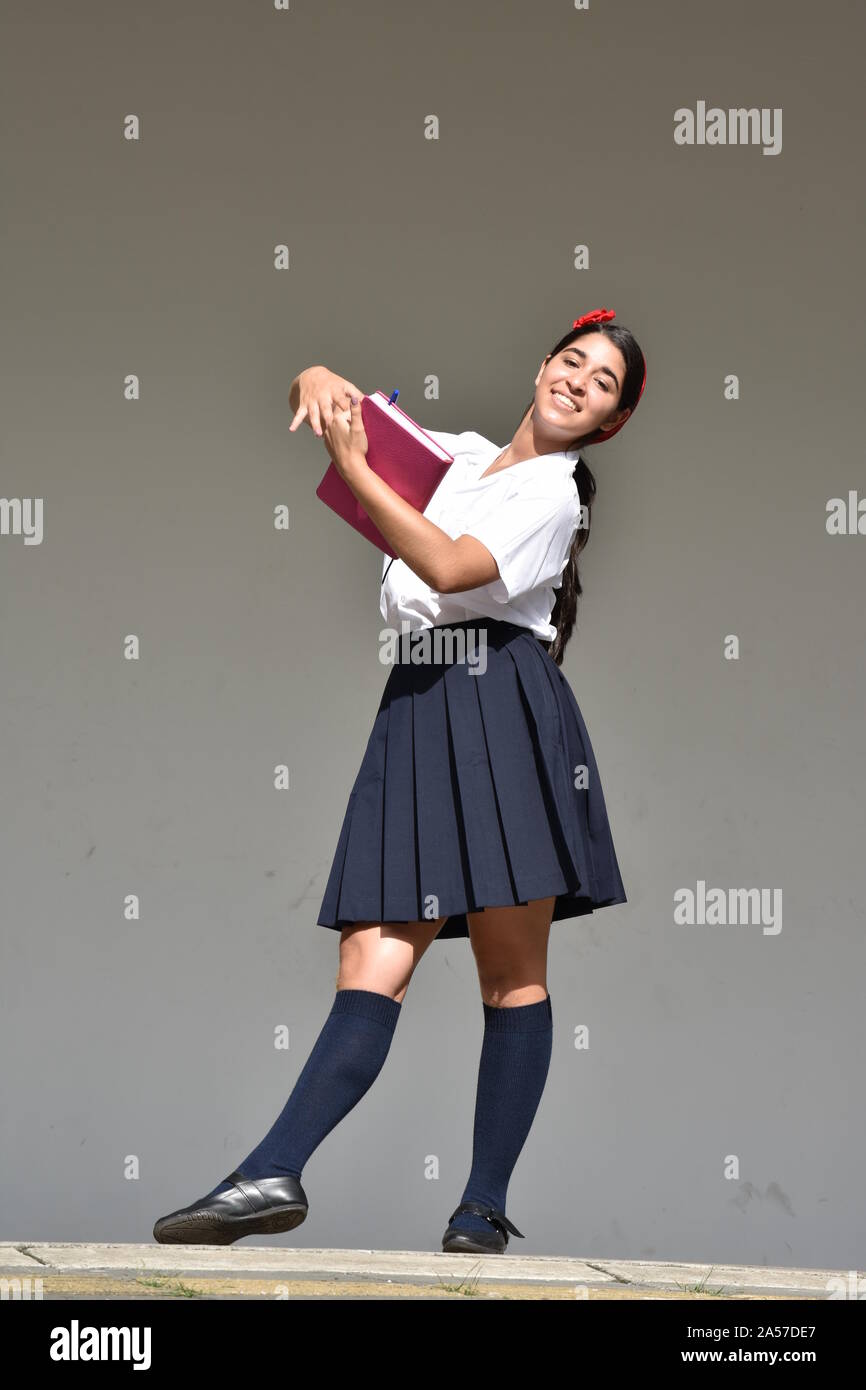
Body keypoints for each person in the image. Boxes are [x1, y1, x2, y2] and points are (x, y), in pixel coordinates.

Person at [153, 307, 647, 1255]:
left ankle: (480, 1206)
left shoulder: (556, 495)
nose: (580, 381)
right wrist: (312, 373)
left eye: (604, 385)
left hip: (502, 699)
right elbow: (342, 395)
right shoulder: (459, 456)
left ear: (609, 422)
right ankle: (272, 1171)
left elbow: (448, 563)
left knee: (511, 975)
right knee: (369, 955)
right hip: (420, 697)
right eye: (573, 361)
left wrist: (357, 477)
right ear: (543, 364)